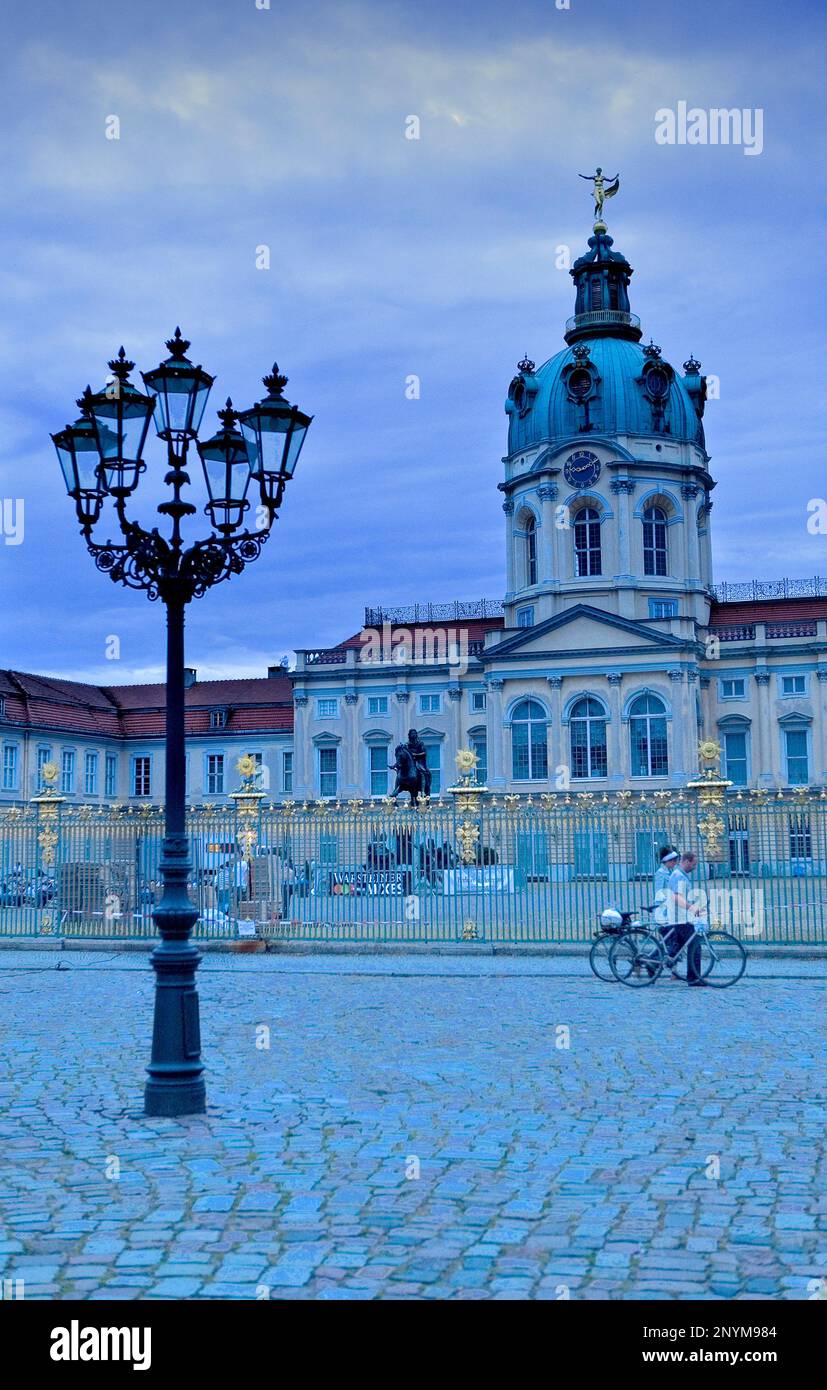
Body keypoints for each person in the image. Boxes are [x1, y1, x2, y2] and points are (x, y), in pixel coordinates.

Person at [666, 850, 708, 987]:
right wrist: (692, 908)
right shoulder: (679, 876)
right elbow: (677, 897)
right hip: (679, 918)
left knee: (676, 948)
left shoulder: (681, 876)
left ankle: (652, 965)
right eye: (693, 864)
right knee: (695, 945)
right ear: (686, 861)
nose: (694, 867)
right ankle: (694, 978)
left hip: (680, 917)